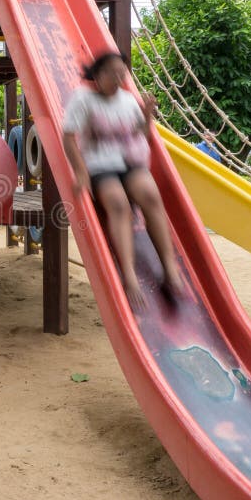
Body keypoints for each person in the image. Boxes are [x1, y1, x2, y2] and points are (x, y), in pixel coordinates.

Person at [62, 52, 183, 308]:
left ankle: (169, 267)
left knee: (150, 195)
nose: (117, 78)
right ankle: (129, 275)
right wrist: (81, 172)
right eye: (111, 73)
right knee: (119, 204)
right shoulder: (83, 98)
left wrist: (147, 115)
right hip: (100, 165)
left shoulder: (128, 100)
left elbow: (140, 134)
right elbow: (69, 138)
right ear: (98, 74)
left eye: (121, 74)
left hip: (130, 163)